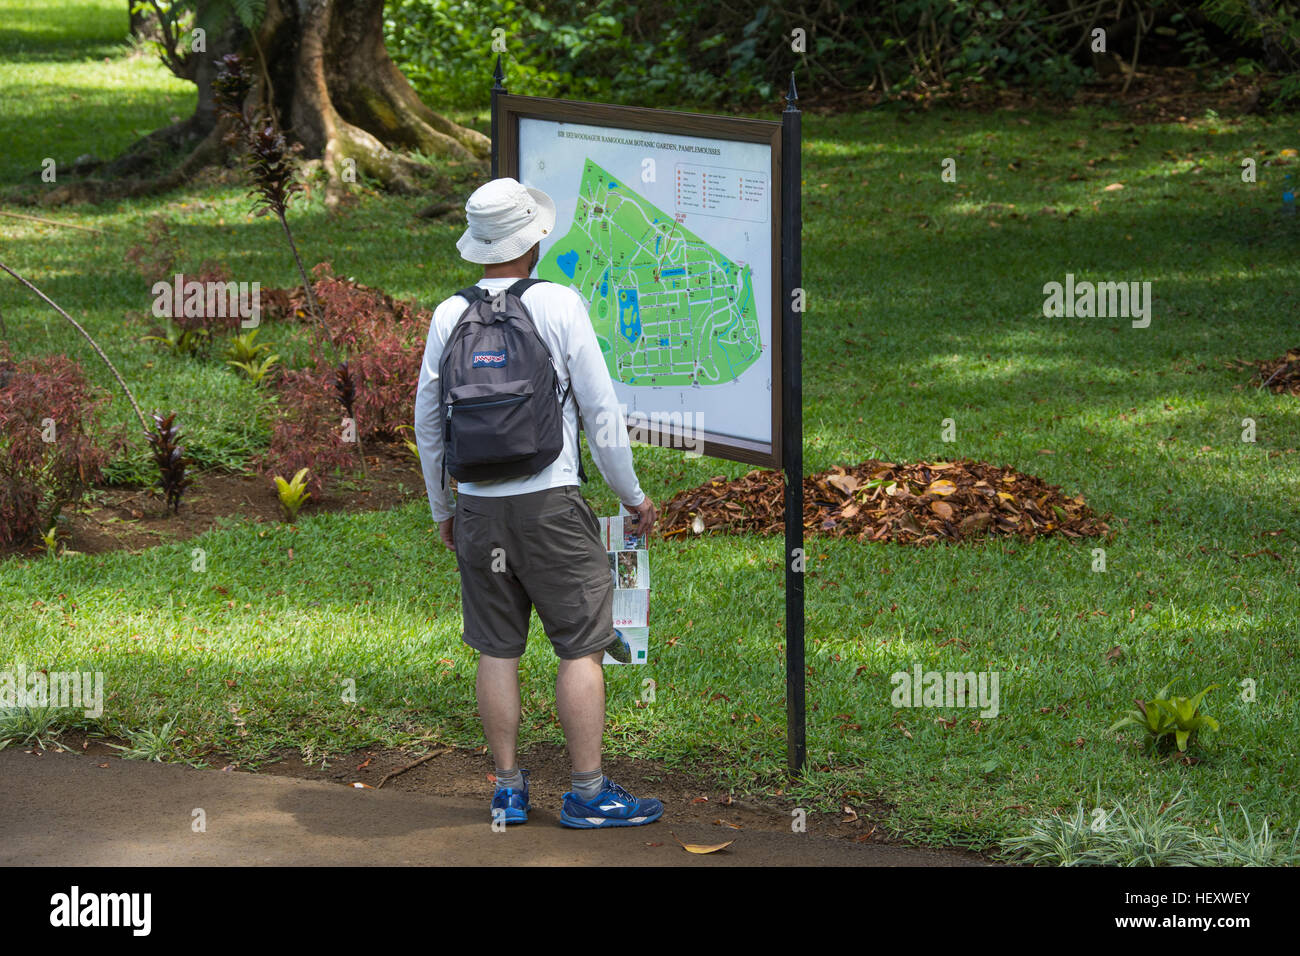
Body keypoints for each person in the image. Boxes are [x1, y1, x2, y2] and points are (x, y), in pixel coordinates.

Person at [412, 177, 663, 829]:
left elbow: (429, 424)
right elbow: (601, 413)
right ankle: (586, 794)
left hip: (478, 508)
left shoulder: (448, 314)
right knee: (579, 646)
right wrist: (631, 496)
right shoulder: (558, 304)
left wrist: (444, 507)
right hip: (550, 504)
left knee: (497, 648)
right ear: (535, 239)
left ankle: (507, 790)